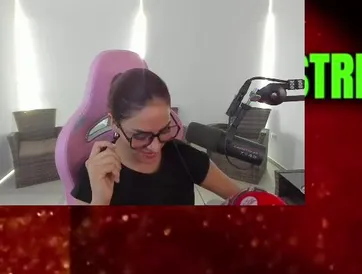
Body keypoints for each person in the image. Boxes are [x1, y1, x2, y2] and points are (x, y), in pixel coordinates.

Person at [71, 67, 243, 205]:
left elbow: (244, 199)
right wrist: (99, 202)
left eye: (164, 130)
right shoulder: (97, 172)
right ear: (114, 122)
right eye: (140, 135)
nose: (155, 147)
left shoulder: (183, 156)